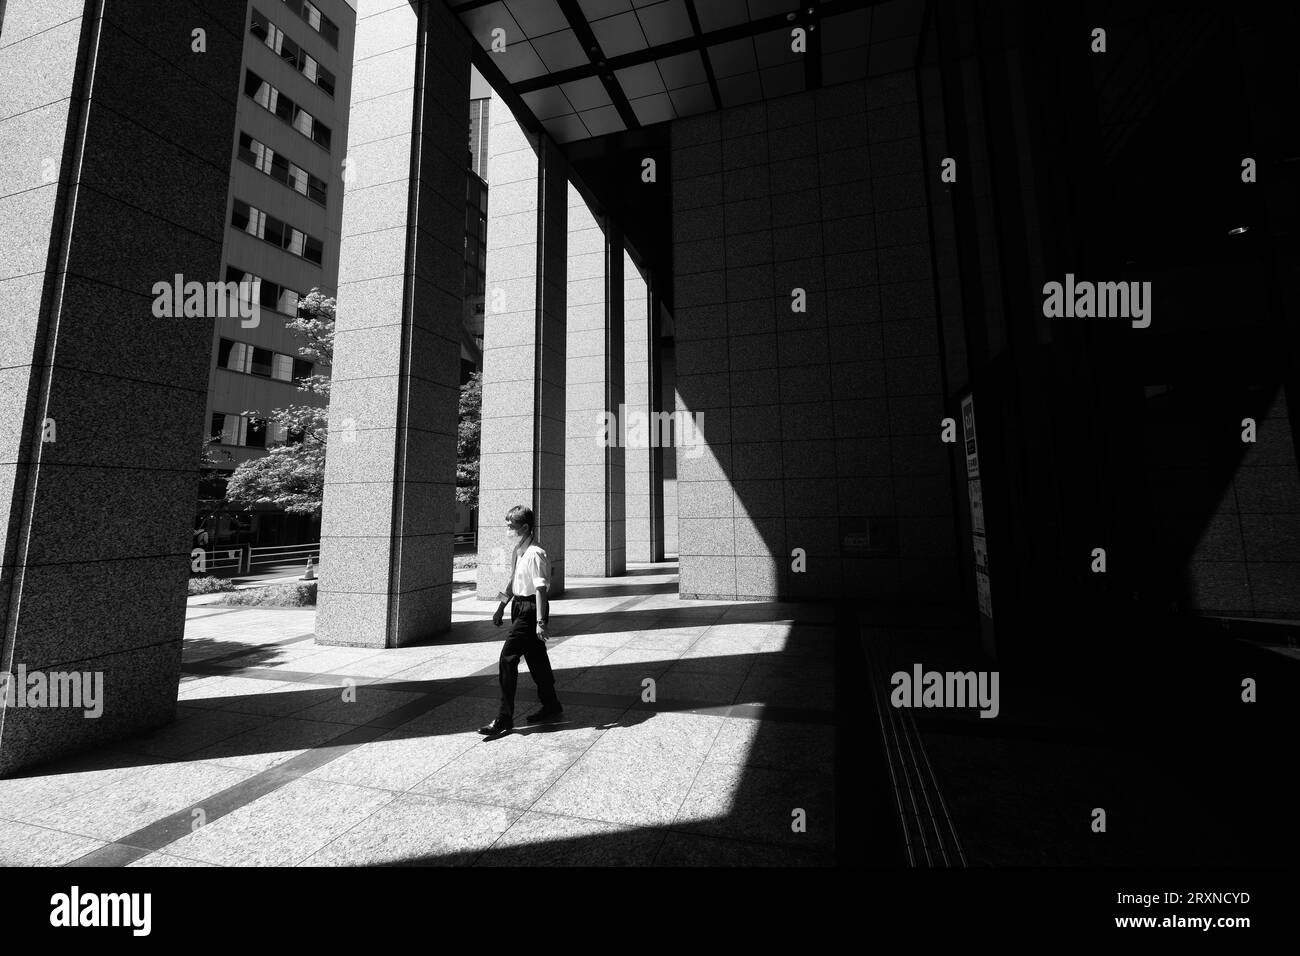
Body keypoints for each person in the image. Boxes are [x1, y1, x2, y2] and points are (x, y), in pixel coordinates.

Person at [478, 505, 563, 738]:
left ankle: (504, 717)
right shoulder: (518, 550)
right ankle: (552, 704)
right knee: (537, 659)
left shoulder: (536, 553)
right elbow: (512, 581)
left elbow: (540, 590)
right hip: (518, 607)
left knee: (507, 658)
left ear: (524, 527)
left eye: (511, 526)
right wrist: (501, 607)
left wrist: (540, 622)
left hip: (531, 610)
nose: (508, 530)